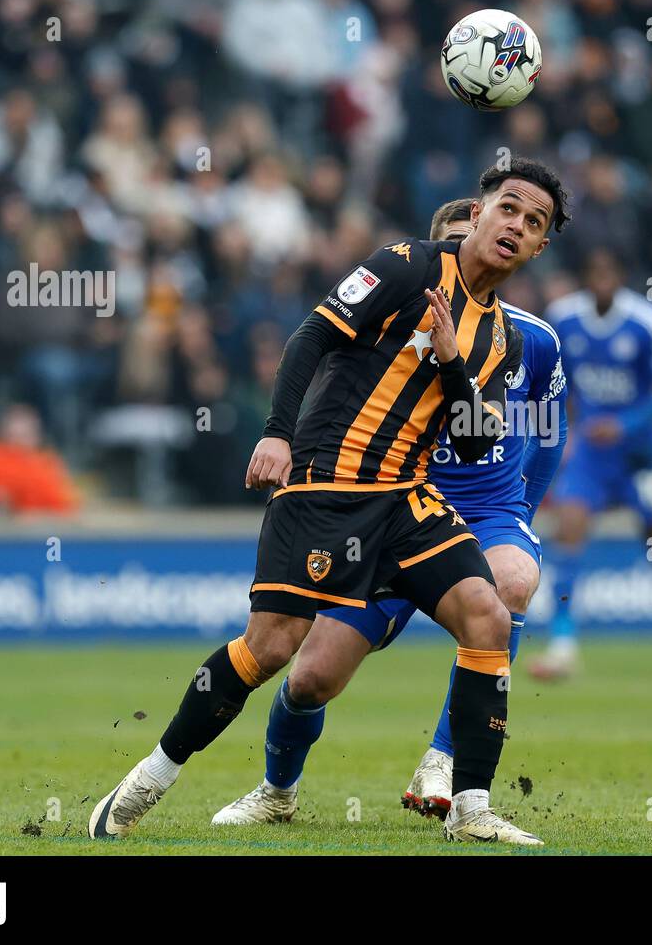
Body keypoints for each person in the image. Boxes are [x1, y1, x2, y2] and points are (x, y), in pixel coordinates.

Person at [88, 159, 569, 846]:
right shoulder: (404, 265)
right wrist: (278, 436)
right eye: (509, 208)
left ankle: (470, 808)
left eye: (534, 222)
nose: (516, 226)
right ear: (482, 209)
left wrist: (451, 362)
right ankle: (150, 778)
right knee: (276, 652)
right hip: (329, 486)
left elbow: (468, 444)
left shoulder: (503, 337)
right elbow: (311, 335)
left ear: (539, 246)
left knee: (489, 615)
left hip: (407, 499)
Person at [212, 196, 567, 826]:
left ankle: (445, 762)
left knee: (508, 582)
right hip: (389, 505)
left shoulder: (528, 340)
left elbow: (549, 434)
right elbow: (323, 346)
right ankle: (276, 792)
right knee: (311, 677)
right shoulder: (401, 312)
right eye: (458, 242)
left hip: (486, 510)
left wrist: (522, 513)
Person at [530, 246, 652, 688]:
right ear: (585, 276)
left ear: (621, 276)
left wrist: (624, 424)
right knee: (569, 527)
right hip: (591, 453)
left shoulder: (649, 322)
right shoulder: (563, 317)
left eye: (610, 270)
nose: (602, 278)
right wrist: (556, 430)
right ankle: (563, 644)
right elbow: (547, 379)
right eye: (594, 270)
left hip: (644, 452)